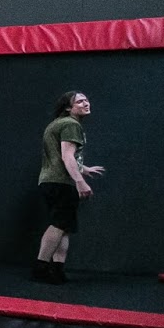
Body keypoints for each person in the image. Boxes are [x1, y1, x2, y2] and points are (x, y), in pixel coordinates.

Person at [33, 90, 104, 284]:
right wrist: (80, 181)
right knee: (58, 224)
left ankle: (57, 270)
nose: (85, 103)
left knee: (64, 226)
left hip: (49, 180)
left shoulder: (56, 124)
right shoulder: (71, 125)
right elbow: (67, 156)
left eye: (86, 100)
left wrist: (84, 169)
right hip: (61, 182)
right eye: (79, 101)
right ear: (68, 107)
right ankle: (41, 267)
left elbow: (59, 155)